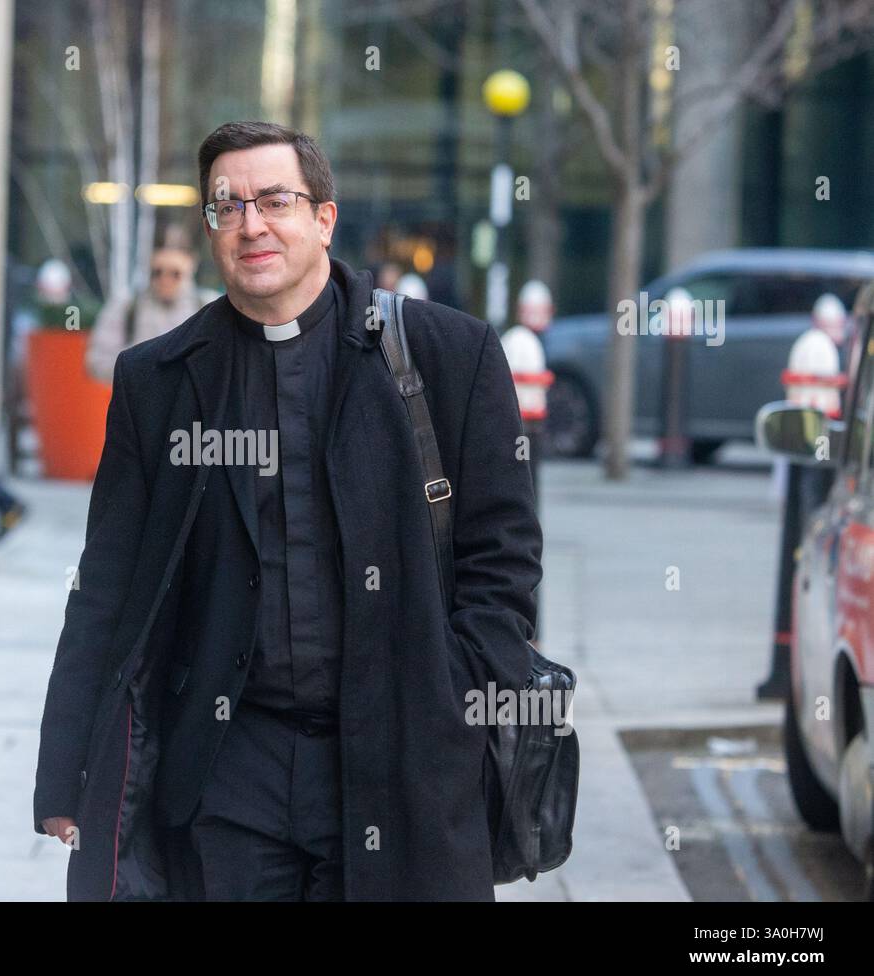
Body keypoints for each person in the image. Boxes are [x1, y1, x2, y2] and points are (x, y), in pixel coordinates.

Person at [33, 120, 543, 901]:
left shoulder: (450, 356)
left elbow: (503, 559)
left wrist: (457, 702)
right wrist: (67, 766)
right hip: (231, 774)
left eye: (274, 200)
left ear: (323, 218)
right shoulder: (161, 380)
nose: (251, 224)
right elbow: (107, 584)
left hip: (402, 760)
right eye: (227, 206)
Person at [84, 237, 219, 383]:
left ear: (190, 269)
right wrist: (146, 366)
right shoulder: (126, 307)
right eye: (157, 272)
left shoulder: (210, 307)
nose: (165, 280)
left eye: (175, 274)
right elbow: (97, 362)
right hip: (141, 401)